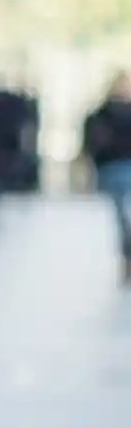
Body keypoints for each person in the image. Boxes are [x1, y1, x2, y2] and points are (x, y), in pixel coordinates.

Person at [83, 71, 131, 284]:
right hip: (114, 168)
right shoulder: (102, 113)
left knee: (123, 216)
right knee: (122, 217)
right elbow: (92, 142)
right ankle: (127, 256)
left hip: (121, 167)